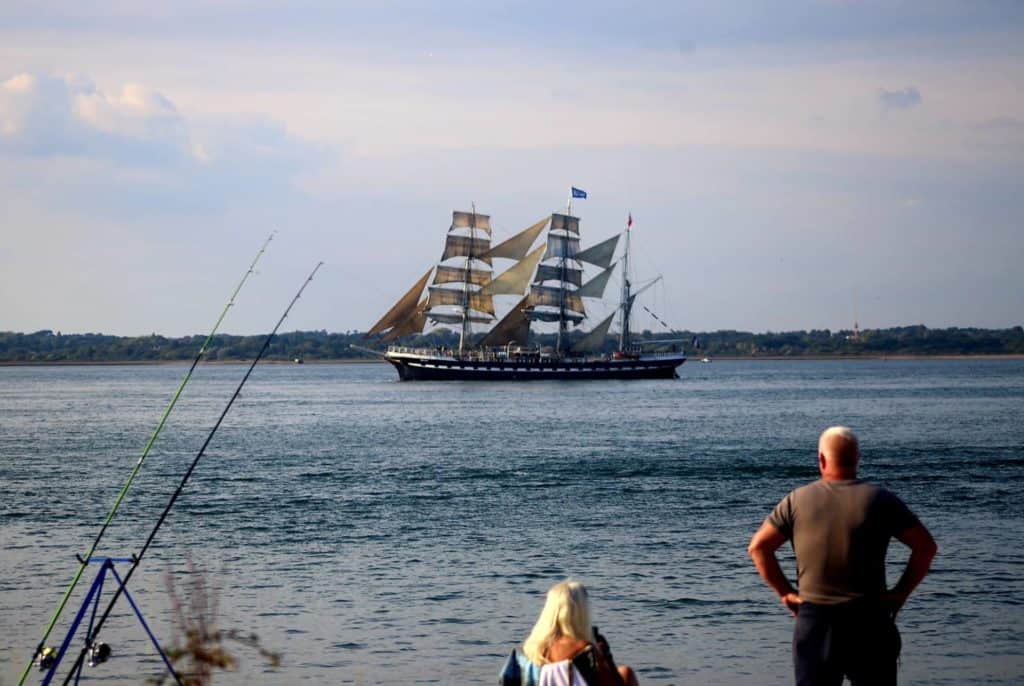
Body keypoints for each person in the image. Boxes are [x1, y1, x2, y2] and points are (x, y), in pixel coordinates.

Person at [748, 426, 938, 686]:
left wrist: (786, 592)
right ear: (857, 459)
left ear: (822, 459)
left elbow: (759, 547)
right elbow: (925, 547)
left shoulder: (796, 500)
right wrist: (900, 593)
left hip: (817, 621)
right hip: (870, 618)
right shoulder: (880, 499)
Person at [499, 580, 638, 686]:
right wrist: (604, 656)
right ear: (582, 612)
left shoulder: (522, 654)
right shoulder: (586, 651)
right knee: (626, 673)